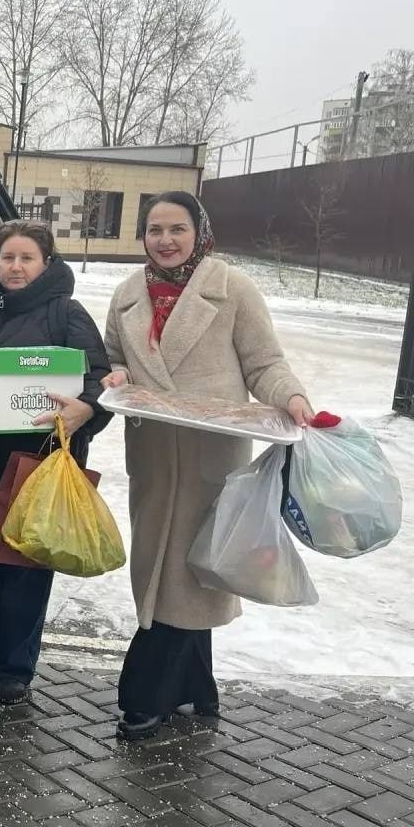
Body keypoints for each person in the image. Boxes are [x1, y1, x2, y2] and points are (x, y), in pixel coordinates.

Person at [102, 191, 313, 741]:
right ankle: (198, 689)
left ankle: (142, 697)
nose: (165, 240)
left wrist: (292, 400)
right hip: (152, 456)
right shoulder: (127, 295)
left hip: (211, 457)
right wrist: (119, 376)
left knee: (192, 569)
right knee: (169, 569)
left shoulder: (232, 288)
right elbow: (114, 358)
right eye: (154, 230)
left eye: (177, 229)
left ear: (199, 231)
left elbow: (264, 362)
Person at [0, 220, 112, 704]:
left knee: (26, 562)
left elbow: (100, 380)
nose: (15, 267)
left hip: (39, 460)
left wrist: (88, 407)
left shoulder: (67, 314)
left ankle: (16, 665)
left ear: (47, 263)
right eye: (8, 258)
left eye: (26, 258)